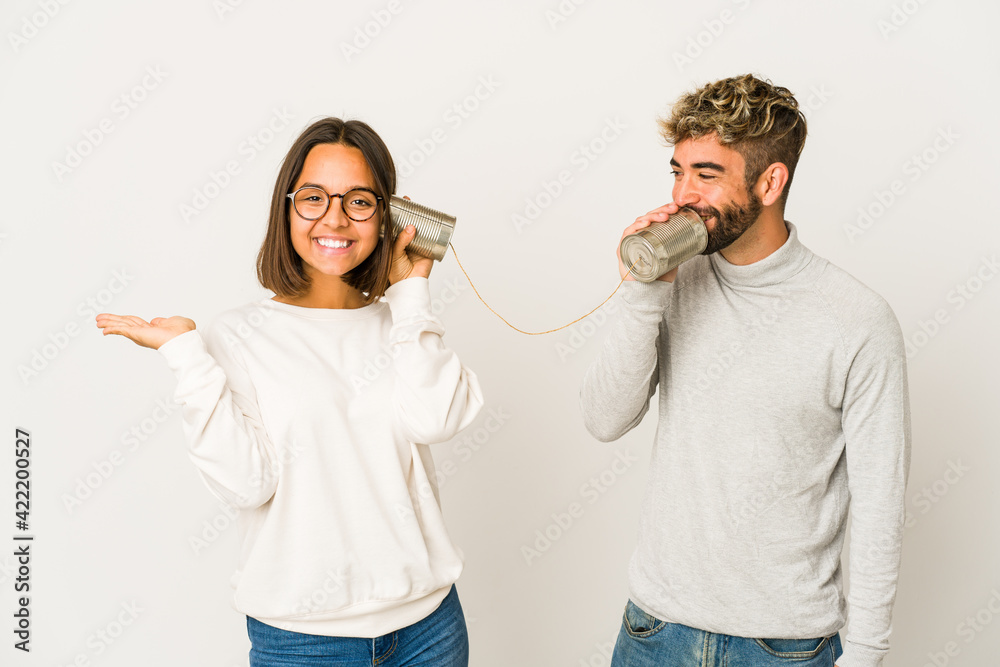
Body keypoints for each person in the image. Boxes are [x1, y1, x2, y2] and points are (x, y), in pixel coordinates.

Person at [96, 117, 483, 666]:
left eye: (359, 202)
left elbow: (435, 420)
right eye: (314, 198)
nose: (335, 218)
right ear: (286, 207)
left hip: (429, 630)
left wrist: (413, 291)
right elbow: (246, 484)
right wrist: (185, 355)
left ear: (386, 215)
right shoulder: (237, 335)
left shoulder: (402, 324)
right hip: (301, 641)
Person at [580, 74, 911, 667]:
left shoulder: (858, 320)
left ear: (770, 181)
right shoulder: (673, 284)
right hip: (654, 632)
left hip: (784, 648)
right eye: (677, 171)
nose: (683, 194)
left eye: (706, 175)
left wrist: (866, 654)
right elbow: (604, 420)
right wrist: (642, 293)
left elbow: (880, 502)